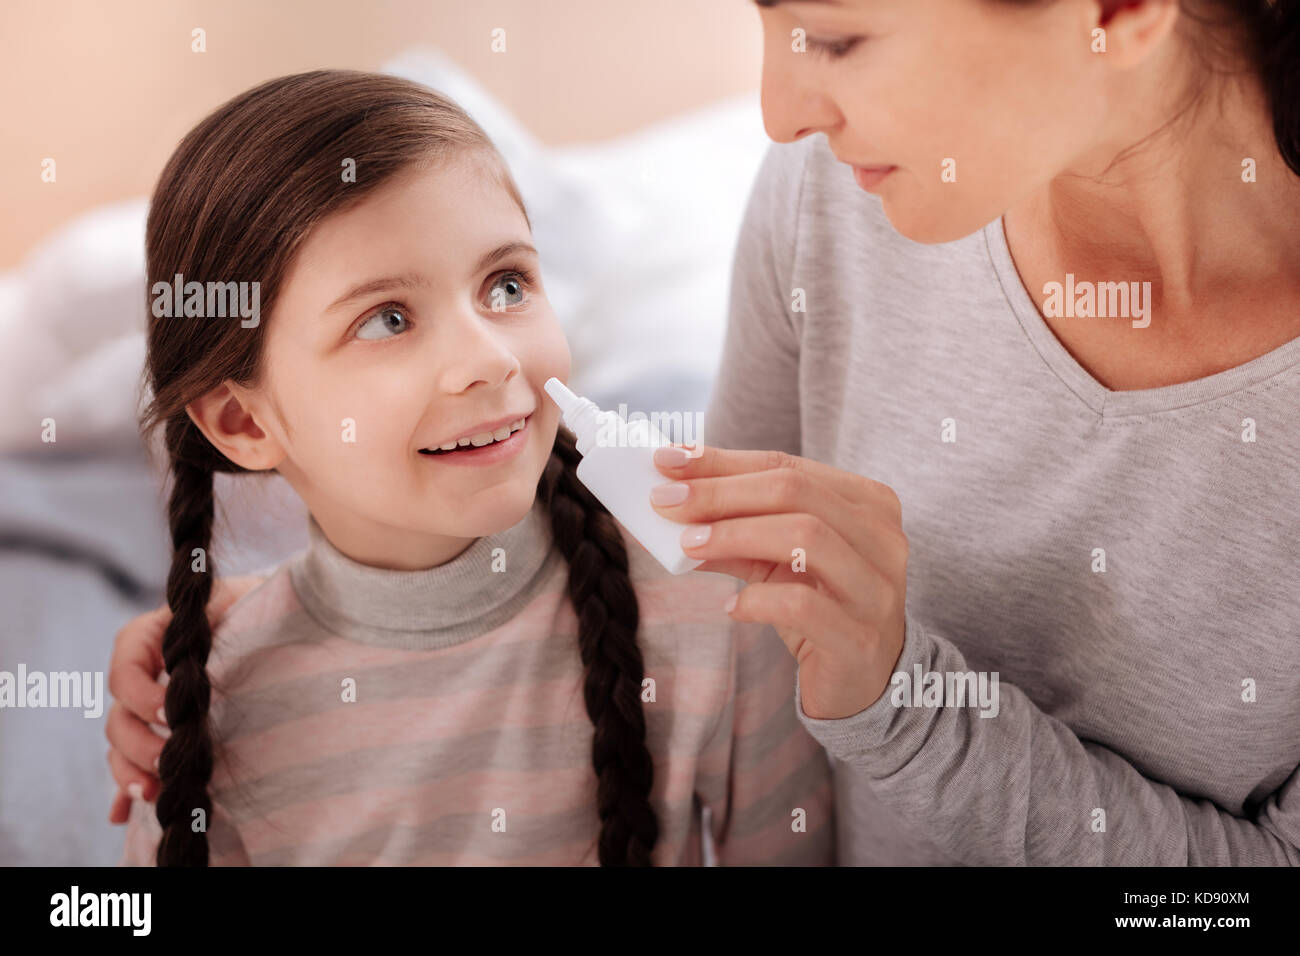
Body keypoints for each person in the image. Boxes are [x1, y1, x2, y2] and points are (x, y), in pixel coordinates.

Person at [112, 0, 1300, 865]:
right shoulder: (835, 194)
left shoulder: (697, 672)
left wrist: (902, 698)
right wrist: (274, 631)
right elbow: (700, 550)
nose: (777, 117)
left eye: (834, 37)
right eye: (386, 316)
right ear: (239, 419)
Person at [113, 69, 833, 866]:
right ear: (244, 422)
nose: (488, 360)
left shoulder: (717, 612)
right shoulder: (210, 709)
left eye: (506, 284)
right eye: (388, 319)